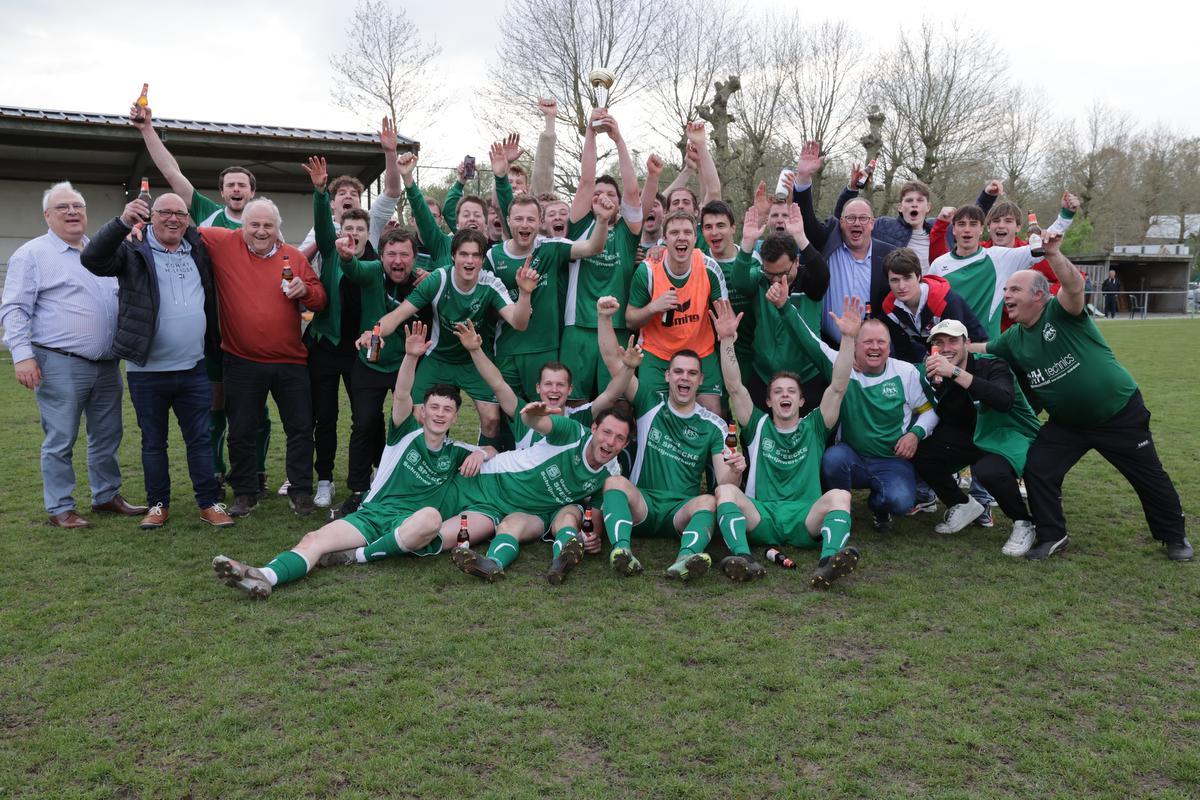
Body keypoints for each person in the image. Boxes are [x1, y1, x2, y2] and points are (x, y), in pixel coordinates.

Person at [212, 322, 490, 599]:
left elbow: (495, 452)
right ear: (423, 412)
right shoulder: (404, 433)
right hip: (373, 514)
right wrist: (410, 356)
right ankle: (264, 575)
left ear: (455, 417)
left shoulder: (457, 451)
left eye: (447, 410)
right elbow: (403, 393)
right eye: (434, 408)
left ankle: (357, 556)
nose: (440, 415)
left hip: (409, 523)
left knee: (431, 518)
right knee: (314, 539)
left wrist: (481, 453)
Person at [978, 233, 1191, 561]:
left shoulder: (1061, 313)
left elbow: (1074, 287)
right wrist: (951, 347)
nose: (1007, 295)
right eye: (1005, 290)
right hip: (1068, 424)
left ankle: (1174, 537)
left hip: (1118, 413)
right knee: (1038, 468)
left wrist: (1054, 255)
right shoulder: (1013, 338)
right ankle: (1052, 534)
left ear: (1040, 296)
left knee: (1148, 476)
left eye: (1014, 290)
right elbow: (984, 350)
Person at [128, 99, 273, 497]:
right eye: (230, 185)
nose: (237, 189)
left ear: (252, 191)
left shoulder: (266, 224)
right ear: (222, 191)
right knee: (213, 410)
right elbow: (171, 172)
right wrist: (146, 131)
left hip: (251, 338)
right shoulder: (207, 214)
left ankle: (256, 471)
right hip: (211, 334)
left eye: (243, 184)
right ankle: (217, 473)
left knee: (255, 412)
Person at [79, 192, 234, 529]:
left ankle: (208, 503)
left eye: (181, 213)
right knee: (153, 441)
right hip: (147, 371)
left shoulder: (198, 248)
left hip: (194, 367)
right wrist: (121, 224)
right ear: (152, 216)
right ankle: (158, 504)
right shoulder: (133, 249)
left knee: (200, 439)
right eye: (165, 212)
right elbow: (92, 258)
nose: (174, 219)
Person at [455, 316, 642, 583]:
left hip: (559, 506)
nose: (554, 390)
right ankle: (493, 563)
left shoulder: (579, 421)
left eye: (560, 385)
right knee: (511, 525)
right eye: (548, 384)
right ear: (538, 388)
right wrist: (475, 349)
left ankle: (564, 555)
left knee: (566, 517)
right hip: (523, 500)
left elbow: (611, 396)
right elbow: (497, 383)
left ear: (570, 389)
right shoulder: (526, 414)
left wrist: (627, 370)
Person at [1, 182, 145, 527]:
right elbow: (15, 309)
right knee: (61, 438)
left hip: (107, 364)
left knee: (108, 435)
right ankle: (60, 507)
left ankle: (106, 495)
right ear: (47, 216)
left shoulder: (102, 250)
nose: (72, 212)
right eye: (63, 207)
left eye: (77, 206)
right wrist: (22, 355)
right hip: (59, 362)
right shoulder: (32, 255)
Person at [710, 296, 862, 588]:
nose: (785, 396)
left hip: (805, 517)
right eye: (778, 391)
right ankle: (743, 558)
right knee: (726, 490)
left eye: (791, 391)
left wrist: (848, 338)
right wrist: (727, 340)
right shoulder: (757, 425)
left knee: (841, 496)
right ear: (768, 401)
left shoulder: (815, 426)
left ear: (802, 400)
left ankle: (827, 564)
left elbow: (839, 386)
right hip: (763, 515)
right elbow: (734, 387)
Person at [597, 297, 745, 580]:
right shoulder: (651, 404)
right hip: (643, 505)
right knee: (614, 482)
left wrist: (736, 471)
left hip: (680, 512)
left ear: (701, 380)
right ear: (667, 376)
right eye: (677, 372)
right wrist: (604, 319)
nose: (684, 378)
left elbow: (726, 482)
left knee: (708, 502)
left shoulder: (714, 425)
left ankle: (685, 558)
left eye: (691, 373)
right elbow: (613, 362)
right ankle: (622, 550)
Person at [198, 198, 328, 516]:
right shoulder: (224, 242)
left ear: (278, 228)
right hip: (241, 360)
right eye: (254, 224)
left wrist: (305, 291)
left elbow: (320, 298)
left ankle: (300, 492)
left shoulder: (293, 257)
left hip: (290, 361)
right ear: (242, 226)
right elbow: (181, 227)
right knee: (241, 429)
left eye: (268, 225)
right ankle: (245, 492)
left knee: (299, 428)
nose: (260, 231)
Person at [363, 228, 535, 446]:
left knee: (492, 419)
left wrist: (525, 293)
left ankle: (482, 469)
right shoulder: (439, 279)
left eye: (475, 255)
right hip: (438, 358)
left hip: (474, 360)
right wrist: (375, 332)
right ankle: (425, 467)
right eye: (464, 254)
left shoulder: (490, 283)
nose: (469, 260)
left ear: (482, 260)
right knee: (418, 415)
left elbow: (519, 323)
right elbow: (397, 315)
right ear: (453, 256)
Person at [782, 307, 938, 532]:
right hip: (851, 455)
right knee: (832, 460)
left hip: (891, 460)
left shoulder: (905, 372)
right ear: (855, 346)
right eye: (868, 342)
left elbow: (930, 410)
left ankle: (879, 505)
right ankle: (840, 508)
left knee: (901, 501)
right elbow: (809, 341)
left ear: (889, 345)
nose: (875, 347)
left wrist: (916, 433)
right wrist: (784, 306)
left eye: (881, 342)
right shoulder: (843, 366)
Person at [446, 402, 634, 582]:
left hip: (533, 512)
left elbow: (596, 515)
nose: (610, 442)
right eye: (606, 432)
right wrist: (532, 415)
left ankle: (505, 563)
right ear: (594, 428)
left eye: (619, 438)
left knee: (511, 527)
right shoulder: (572, 432)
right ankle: (493, 564)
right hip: (493, 483)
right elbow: (538, 423)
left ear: (625, 444)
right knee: (439, 523)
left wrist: (591, 537)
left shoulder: (611, 474)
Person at [912, 320, 1040, 555]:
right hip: (975, 434)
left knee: (988, 470)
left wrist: (955, 373)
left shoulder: (993, 365)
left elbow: (1003, 400)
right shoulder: (932, 373)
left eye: (953, 341)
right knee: (921, 451)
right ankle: (961, 504)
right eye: (939, 343)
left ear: (967, 344)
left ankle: (1024, 522)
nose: (946, 348)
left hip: (1009, 433)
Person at [330, 228, 428, 520]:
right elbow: (354, 267)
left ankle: (416, 485)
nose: (398, 261)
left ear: (414, 257)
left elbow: (450, 271)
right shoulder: (372, 271)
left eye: (404, 255)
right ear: (382, 256)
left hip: (408, 364)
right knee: (364, 423)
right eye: (391, 254)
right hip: (370, 360)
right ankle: (359, 490)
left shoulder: (425, 278)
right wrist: (345, 257)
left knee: (418, 423)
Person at [299, 156, 376, 508]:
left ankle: (374, 472)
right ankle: (325, 479)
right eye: (349, 229)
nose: (354, 234)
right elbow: (320, 222)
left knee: (367, 416)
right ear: (340, 231)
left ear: (367, 233)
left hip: (361, 352)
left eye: (360, 230)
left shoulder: (375, 260)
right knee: (324, 416)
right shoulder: (330, 251)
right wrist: (319, 192)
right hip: (326, 348)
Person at [486, 187, 613, 401]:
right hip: (507, 349)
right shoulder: (493, 255)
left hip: (544, 349)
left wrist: (601, 220)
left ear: (540, 222)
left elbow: (593, 247)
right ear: (508, 221)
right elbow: (488, 305)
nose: (524, 224)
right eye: (518, 219)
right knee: (508, 416)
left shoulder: (551, 247)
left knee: (543, 413)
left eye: (530, 219)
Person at [561, 109, 644, 404]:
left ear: (620, 206)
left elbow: (634, 190)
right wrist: (591, 134)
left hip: (617, 328)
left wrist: (619, 138)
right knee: (573, 403)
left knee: (619, 404)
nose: (604, 197)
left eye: (611, 194)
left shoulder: (628, 233)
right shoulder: (580, 225)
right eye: (598, 194)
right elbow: (585, 181)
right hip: (579, 327)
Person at [790, 141, 897, 342]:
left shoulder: (889, 256)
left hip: (872, 351)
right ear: (841, 222)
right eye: (850, 218)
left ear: (872, 224)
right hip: (827, 346)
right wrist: (803, 178)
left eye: (863, 218)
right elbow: (806, 220)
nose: (857, 223)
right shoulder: (829, 241)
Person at [625, 210, 730, 414]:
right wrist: (653, 307)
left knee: (713, 413)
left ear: (695, 237)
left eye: (687, 232)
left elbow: (726, 315)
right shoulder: (647, 271)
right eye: (674, 232)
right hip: (658, 354)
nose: (681, 237)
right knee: (652, 416)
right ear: (664, 239)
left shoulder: (709, 267)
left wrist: (728, 327)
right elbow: (630, 320)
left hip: (701, 352)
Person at [732, 204, 830, 409]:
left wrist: (801, 238)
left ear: (796, 261)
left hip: (808, 377)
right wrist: (747, 245)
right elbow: (739, 281)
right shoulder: (760, 279)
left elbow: (822, 273)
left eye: (783, 274)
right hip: (764, 377)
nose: (776, 280)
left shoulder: (809, 281)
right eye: (771, 274)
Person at [830, 173, 1004, 270]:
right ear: (900, 207)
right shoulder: (883, 226)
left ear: (928, 207)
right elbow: (846, 221)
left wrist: (988, 196)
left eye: (919, 201)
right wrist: (850, 191)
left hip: (935, 296)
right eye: (909, 200)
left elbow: (971, 220)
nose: (914, 204)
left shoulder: (941, 229)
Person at [927, 205, 1046, 341]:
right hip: (950, 348)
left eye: (973, 224)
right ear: (953, 229)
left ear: (982, 229)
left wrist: (1065, 216)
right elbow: (929, 309)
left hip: (987, 350)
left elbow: (1041, 249)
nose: (967, 229)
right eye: (961, 224)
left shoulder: (999, 258)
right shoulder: (939, 264)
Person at [879, 247, 987, 363]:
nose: (901, 286)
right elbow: (904, 351)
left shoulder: (945, 301)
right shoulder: (890, 308)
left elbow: (955, 348)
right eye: (895, 280)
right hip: (938, 355)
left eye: (907, 278)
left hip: (975, 353)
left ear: (919, 276)